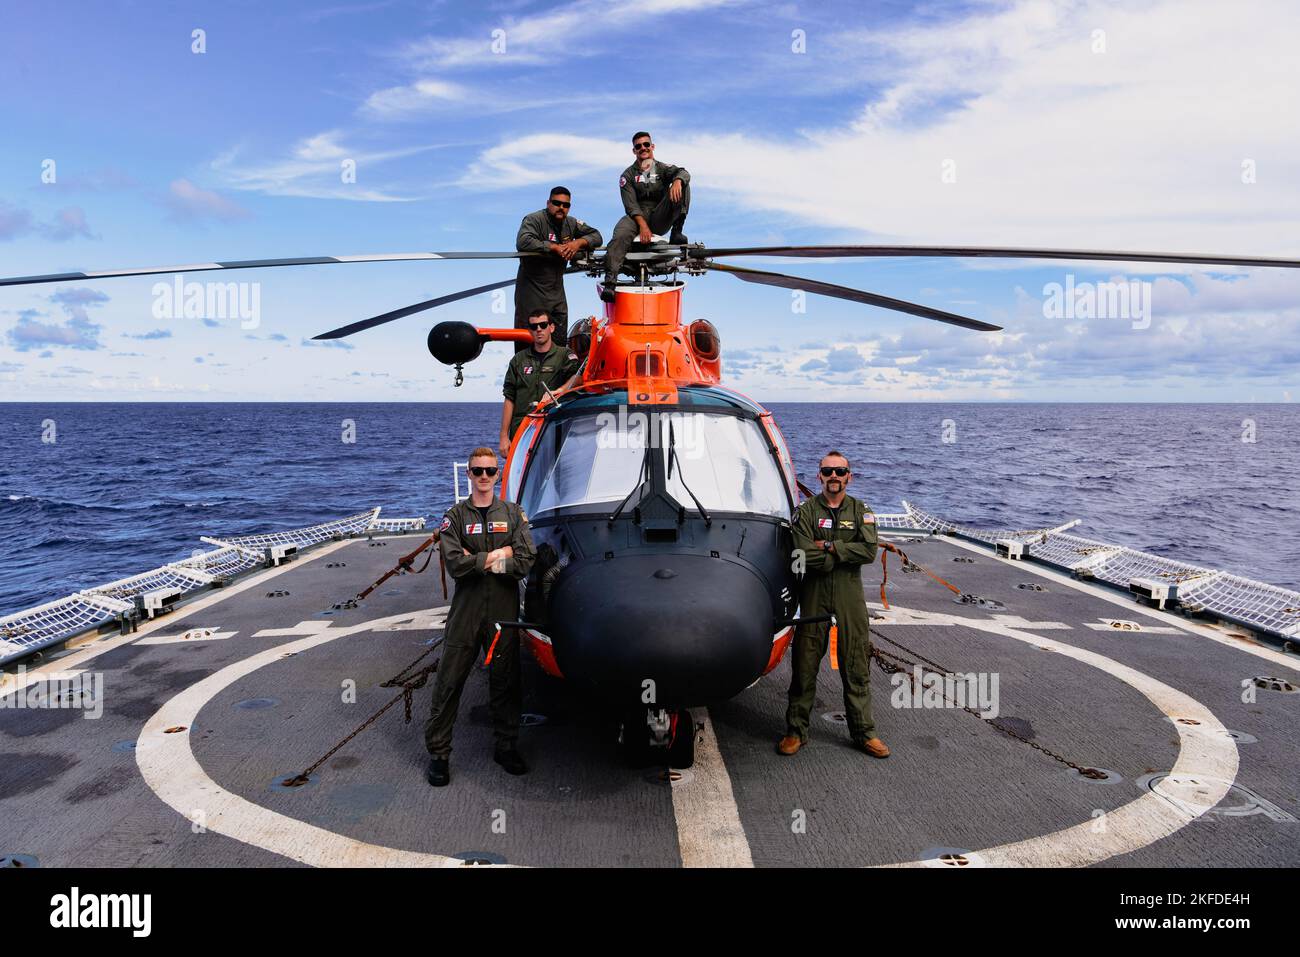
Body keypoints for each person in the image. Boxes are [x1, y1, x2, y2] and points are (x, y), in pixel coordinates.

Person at [425, 447, 537, 787]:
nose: (484, 477)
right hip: (467, 611)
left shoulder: (513, 514)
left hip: (503, 609)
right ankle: (439, 754)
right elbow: (456, 566)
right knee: (449, 680)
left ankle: (506, 747)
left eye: (490, 471)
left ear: (498, 475)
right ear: (469, 474)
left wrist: (481, 560)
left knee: (505, 679)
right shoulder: (455, 516)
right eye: (478, 471)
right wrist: (498, 555)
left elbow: (524, 561)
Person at [779, 451, 891, 759]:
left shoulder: (861, 511)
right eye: (828, 471)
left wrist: (828, 546)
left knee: (855, 662)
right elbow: (801, 553)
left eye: (840, 471)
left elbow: (868, 551)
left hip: (849, 595)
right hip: (814, 593)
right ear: (819, 476)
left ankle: (864, 732)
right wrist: (842, 554)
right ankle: (795, 730)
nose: (834, 477)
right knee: (804, 663)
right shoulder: (806, 512)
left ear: (849, 476)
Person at [600, 132, 690, 302]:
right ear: (634, 151)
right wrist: (643, 226)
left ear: (652, 146)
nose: (643, 148)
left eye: (646, 144)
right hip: (636, 216)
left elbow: (683, 172)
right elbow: (631, 205)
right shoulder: (627, 176)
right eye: (638, 146)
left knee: (683, 183)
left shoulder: (663, 168)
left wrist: (677, 180)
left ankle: (677, 231)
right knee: (620, 234)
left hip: (660, 215)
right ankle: (610, 283)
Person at [515, 186, 602, 349]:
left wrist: (578, 243)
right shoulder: (534, 220)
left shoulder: (571, 223)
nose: (561, 207)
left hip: (556, 291)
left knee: (560, 340)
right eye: (556, 203)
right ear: (548, 203)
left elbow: (596, 236)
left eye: (566, 205)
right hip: (532, 291)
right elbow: (523, 242)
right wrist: (554, 247)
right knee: (529, 342)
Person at [499, 308, 581, 457]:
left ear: (551, 327)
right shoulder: (518, 360)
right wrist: (504, 436)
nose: (539, 329)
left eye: (543, 325)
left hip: (552, 426)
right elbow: (509, 398)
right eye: (534, 326)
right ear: (530, 330)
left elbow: (578, 377)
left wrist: (561, 390)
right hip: (521, 429)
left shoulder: (565, 355)